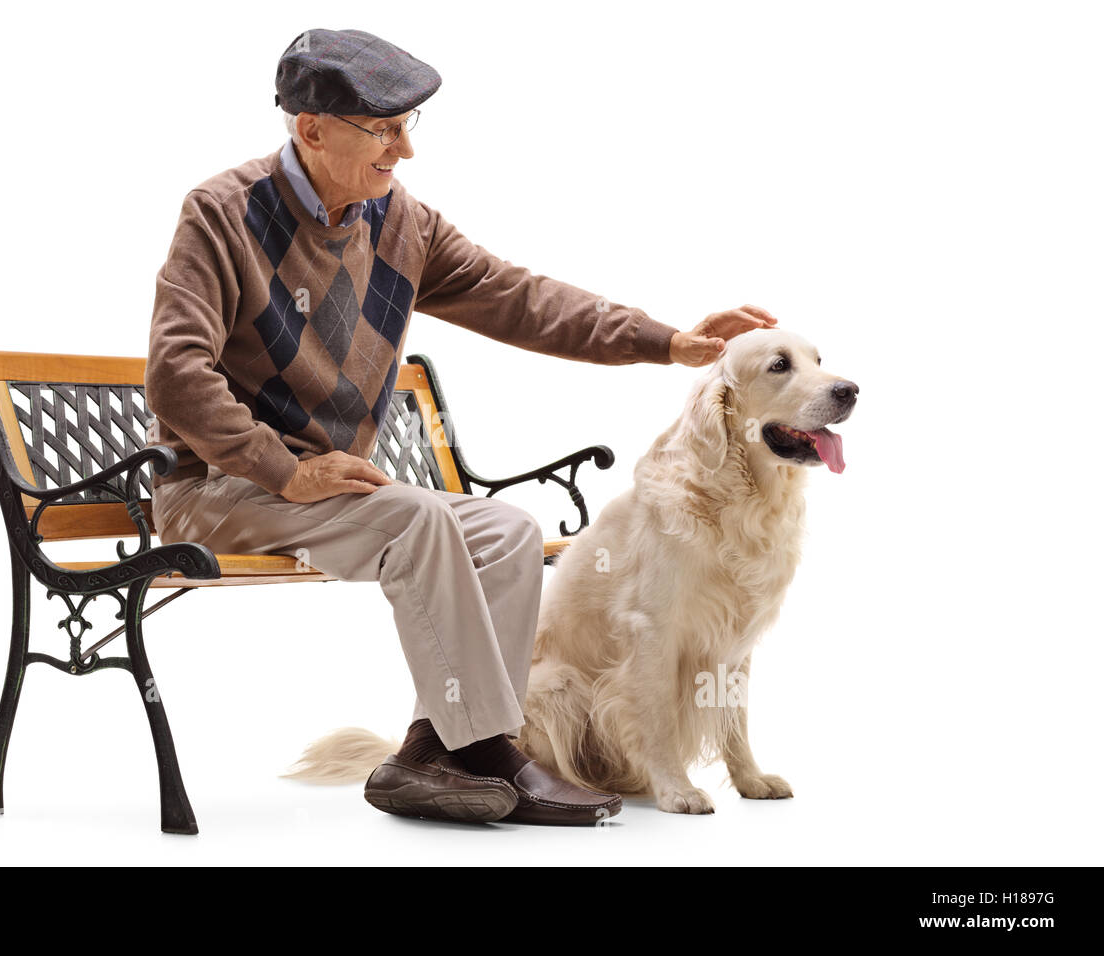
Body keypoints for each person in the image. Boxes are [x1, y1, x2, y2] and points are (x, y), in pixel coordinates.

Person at [144, 27, 777, 826]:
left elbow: (521, 298)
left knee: (507, 531)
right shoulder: (221, 214)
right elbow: (176, 372)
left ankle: (431, 754)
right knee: (416, 519)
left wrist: (669, 341)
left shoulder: (398, 222)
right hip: (221, 489)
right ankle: (489, 753)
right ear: (311, 129)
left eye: (411, 126)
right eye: (385, 129)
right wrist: (284, 468)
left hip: (333, 496)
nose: (405, 150)